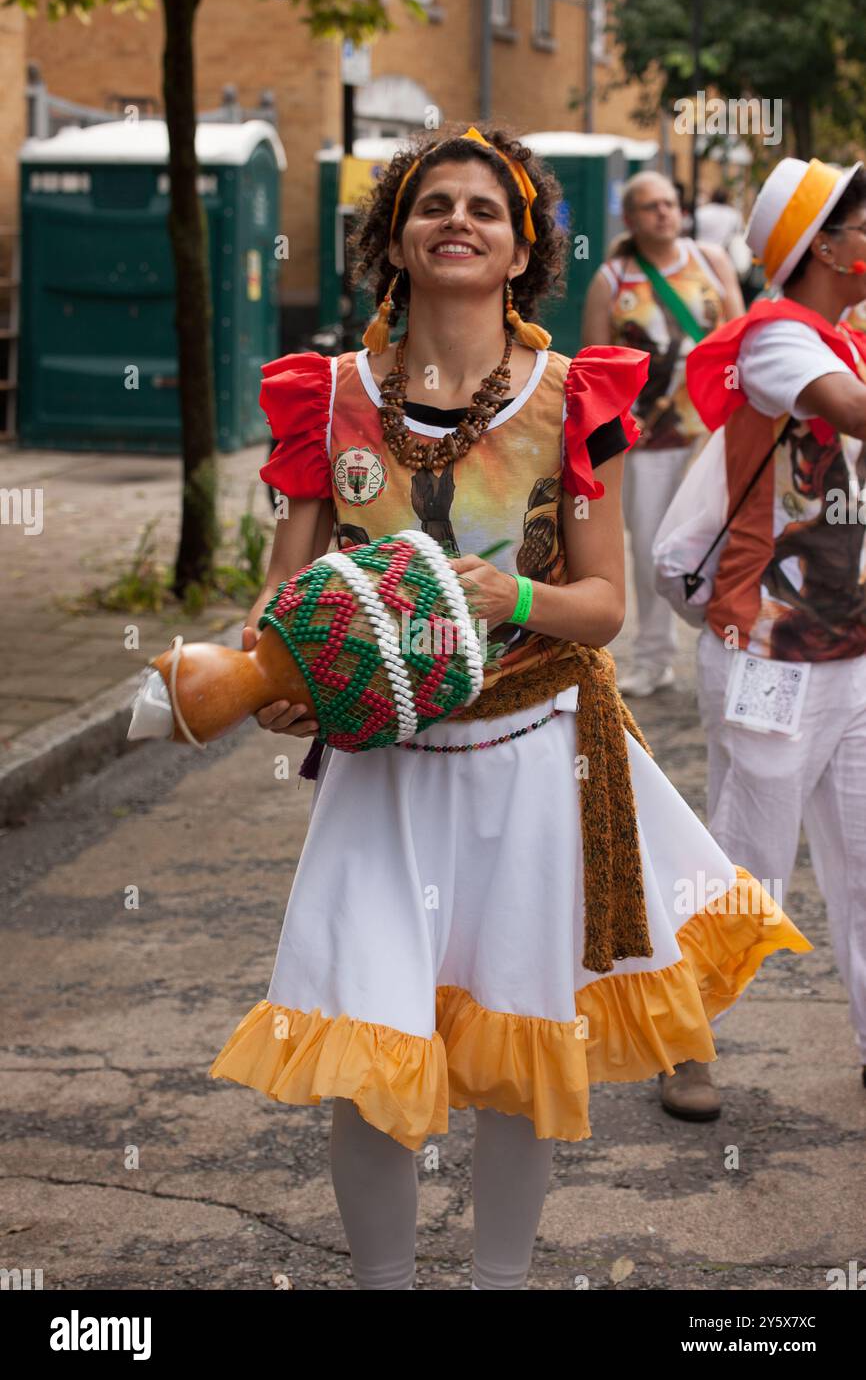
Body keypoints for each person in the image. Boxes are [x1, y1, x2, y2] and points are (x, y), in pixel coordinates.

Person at [208, 124, 810, 1290]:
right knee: (370, 1038)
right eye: (432, 204)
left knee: (515, 1045)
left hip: (533, 760)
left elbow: (600, 608)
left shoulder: (571, 392)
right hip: (383, 773)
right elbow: (279, 601)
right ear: (393, 235)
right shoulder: (327, 396)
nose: (457, 223)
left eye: (485, 209)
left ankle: (499, 1283)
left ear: (520, 243)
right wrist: (279, 675)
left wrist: (514, 589)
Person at [679, 155, 866, 1102]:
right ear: (825, 247)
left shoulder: (843, 337)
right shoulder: (778, 340)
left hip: (852, 653)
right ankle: (684, 1040)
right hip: (769, 651)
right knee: (748, 856)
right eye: (863, 226)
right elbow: (854, 416)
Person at [582, 170, 744, 698]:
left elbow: (741, 335)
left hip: (713, 431)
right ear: (630, 217)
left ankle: (726, 647)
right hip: (649, 440)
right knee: (654, 547)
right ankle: (653, 657)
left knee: (726, 537)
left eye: (671, 203)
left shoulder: (711, 261)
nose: (664, 213)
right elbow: (594, 365)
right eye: (651, 206)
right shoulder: (614, 277)